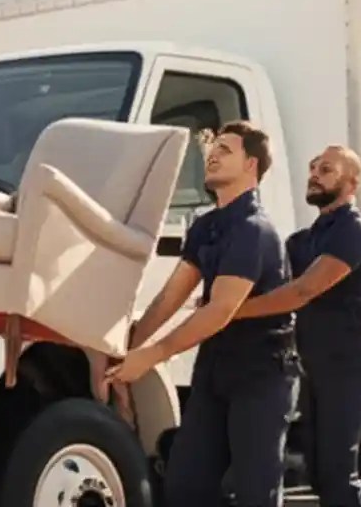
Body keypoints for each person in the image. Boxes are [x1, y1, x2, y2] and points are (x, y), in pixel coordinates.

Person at [105, 121, 299, 507]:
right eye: (213, 149)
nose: (212, 155)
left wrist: (151, 356)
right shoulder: (207, 227)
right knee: (185, 485)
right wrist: (128, 347)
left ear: (252, 165)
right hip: (215, 369)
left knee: (254, 493)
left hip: (261, 374)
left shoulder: (254, 230)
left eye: (226, 150)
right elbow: (171, 296)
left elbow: (220, 310)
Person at [231, 145, 361, 506]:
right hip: (310, 366)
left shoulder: (353, 232)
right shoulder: (304, 239)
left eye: (326, 169)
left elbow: (302, 291)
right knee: (316, 469)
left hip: (347, 368)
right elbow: (270, 280)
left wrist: (230, 311)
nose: (314, 174)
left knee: (337, 472)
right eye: (312, 167)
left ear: (351, 183)